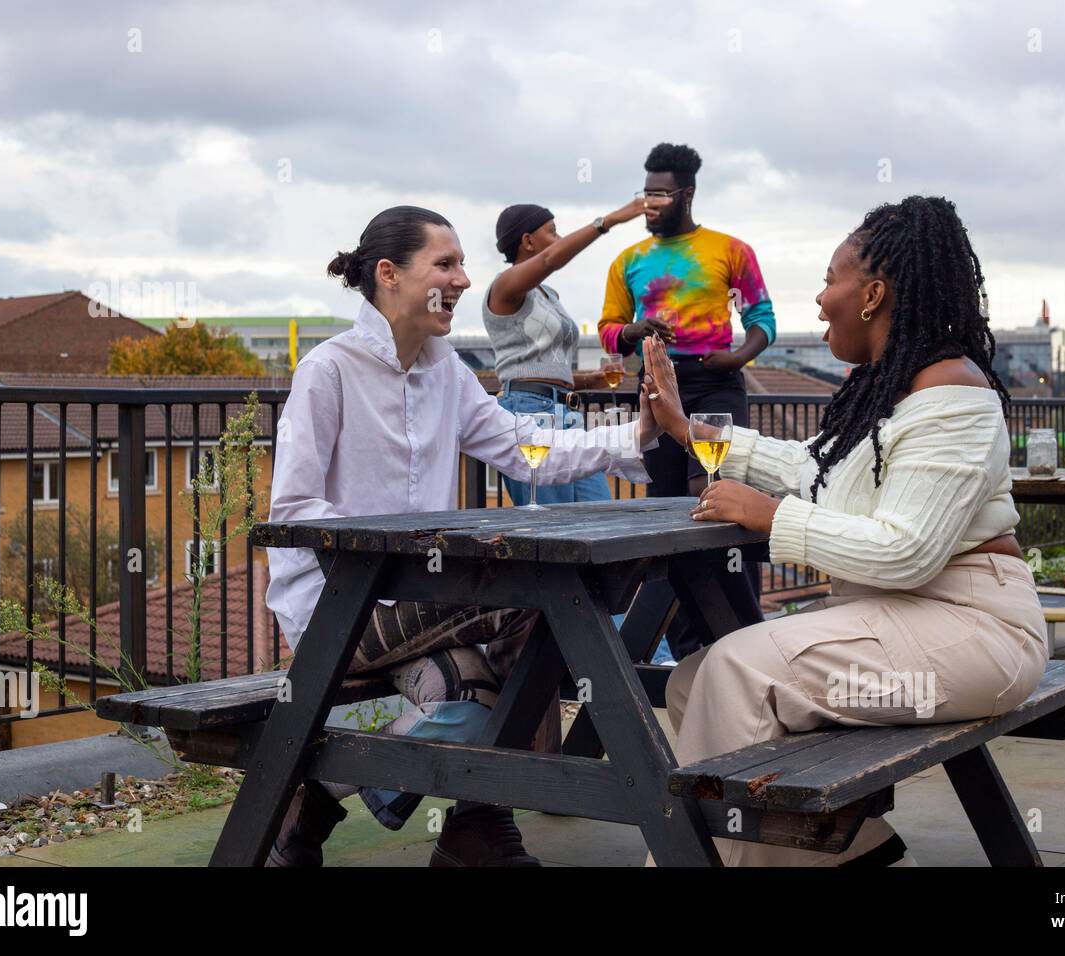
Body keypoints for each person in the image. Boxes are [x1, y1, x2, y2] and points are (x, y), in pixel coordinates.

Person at [639, 195, 1049, 867]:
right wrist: (690, 432)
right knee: (693, 680)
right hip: (911, 619)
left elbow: (907, 549)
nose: (821, 298)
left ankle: (702, 859)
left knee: (737, 674)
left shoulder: (952, 392)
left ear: (874, 293)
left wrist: (770, 516)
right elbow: (809, 466)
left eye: (832, 279)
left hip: (975, 633)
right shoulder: (895, 388)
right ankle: (843, 850)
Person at [264, 205, 661, 867]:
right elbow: (296, 510)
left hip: (429, 607)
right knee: (540, 601)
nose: (464, 279)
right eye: (445, 264)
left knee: (472, 690)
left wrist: (636, 437)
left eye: (462, 263)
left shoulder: (445, 370)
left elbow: (524, 445)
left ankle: (367, 805)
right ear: (389, 275)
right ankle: (524, 811)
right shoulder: (327, 370)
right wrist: (403, 552)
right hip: (338, 610)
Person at [599, 142, 775, 660]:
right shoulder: (628, 260)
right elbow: (610, 332)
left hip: (715, 383)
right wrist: (634, 330)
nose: (650, 203)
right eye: (645, 193)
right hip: (657, 387)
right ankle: (685, 649)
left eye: (659, 193)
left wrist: (737, 357)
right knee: (667, 509)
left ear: (686, 194)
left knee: (719, 503)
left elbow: (762, 319)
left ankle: (743, 635)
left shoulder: (730, 249)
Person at [484, 196, 667, 504]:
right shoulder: (505, 287)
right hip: (528, 413)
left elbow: (539, 366)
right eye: (552, 231)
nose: (558, 238)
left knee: (599, 517)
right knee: (552, 526)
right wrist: (609, 220)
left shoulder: (548, 294)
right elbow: (549, 260)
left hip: (565, 413)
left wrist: (588, 380)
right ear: (527, 240)